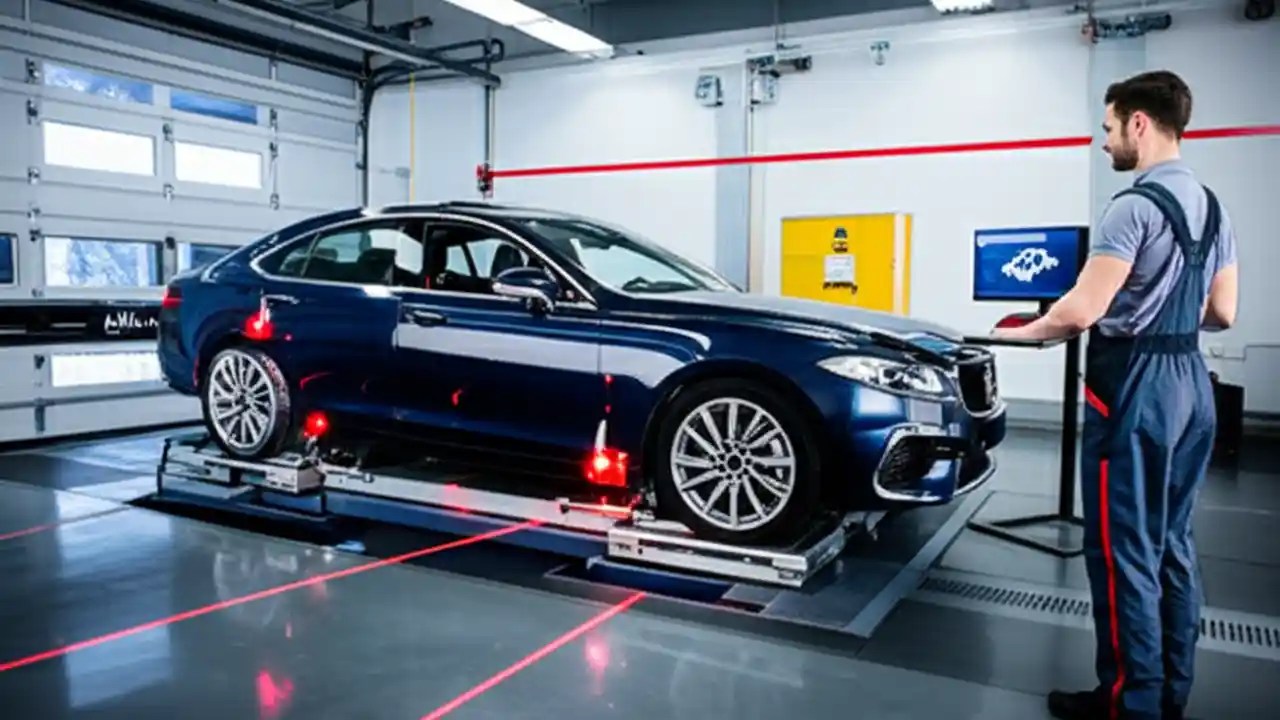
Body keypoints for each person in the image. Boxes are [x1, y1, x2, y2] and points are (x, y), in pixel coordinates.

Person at [992, 69, 1239, 720]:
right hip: (1192, 383)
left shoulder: (1133, 206)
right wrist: (1165, 308)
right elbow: (1224, 313)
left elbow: (1081, 310)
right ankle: (1169, 696)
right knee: (1173, 545)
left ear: (1138, 123)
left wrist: (1022, 335)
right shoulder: (1214, 208)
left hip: (1134, 388)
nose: (1104, 143)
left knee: (1123, 549)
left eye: (1107, 128)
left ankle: (1131, 705)